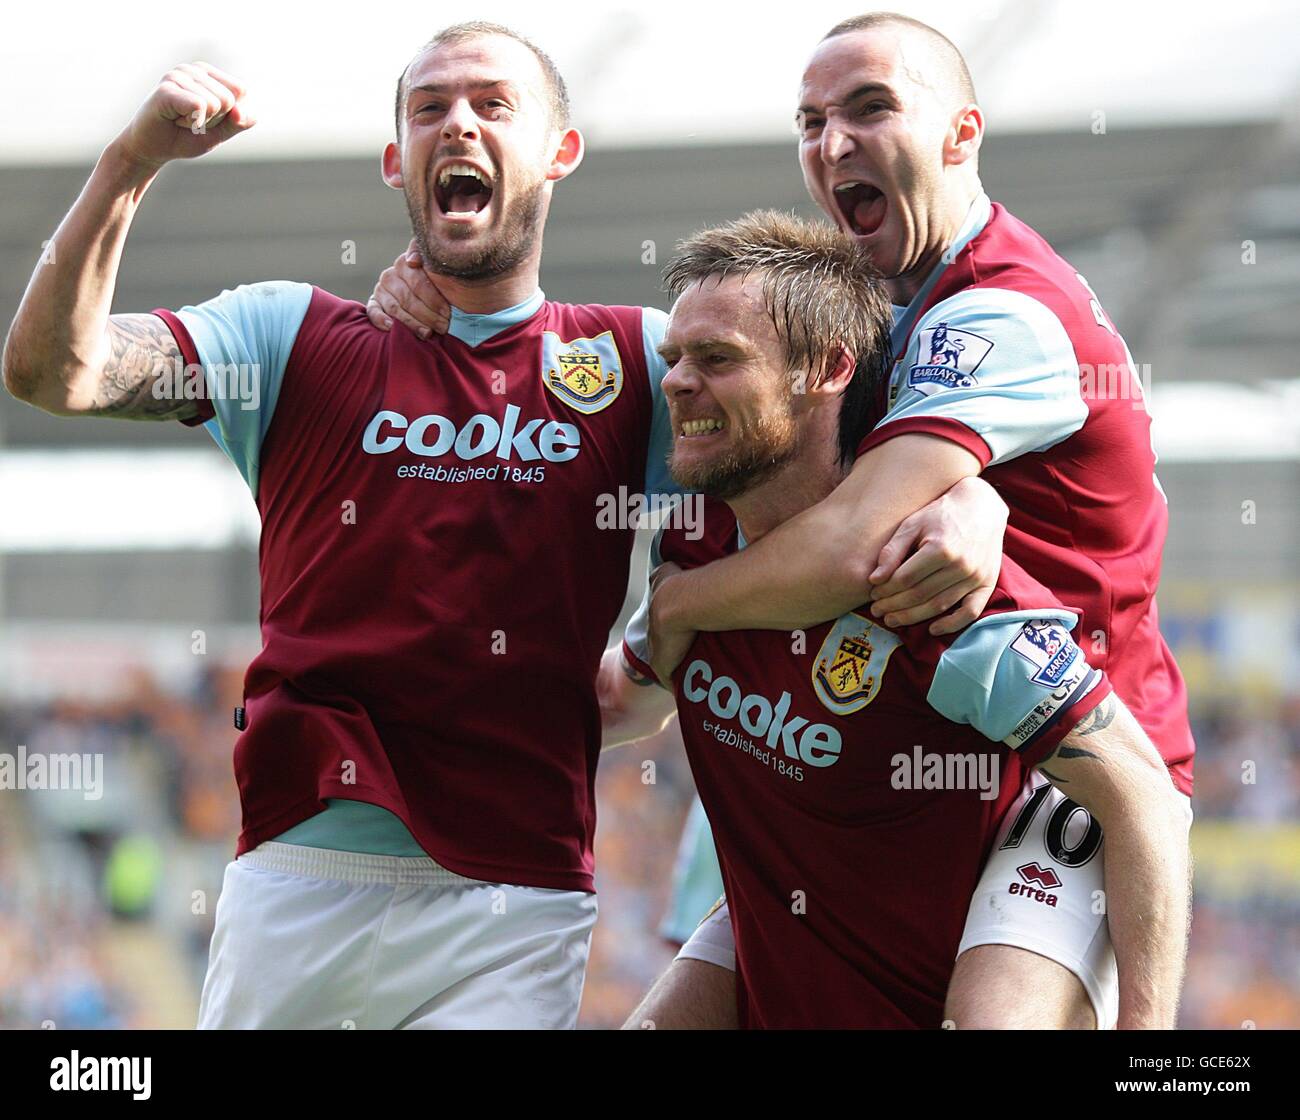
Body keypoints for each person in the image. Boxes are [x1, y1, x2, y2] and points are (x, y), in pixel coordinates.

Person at [1, 23, 1001, 1029]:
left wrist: (966, 490)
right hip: (301, 870)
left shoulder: (641, 361)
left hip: (517, 898)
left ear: (559, 153)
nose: (458, 123)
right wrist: (131, 165)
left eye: (493, 104)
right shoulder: (289, 336)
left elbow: (822, 425)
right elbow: (57, 372)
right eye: (429, 108)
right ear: (397, 160)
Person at [373, 11, 1195, 1028]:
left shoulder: (1002, 315)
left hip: (1063, 760)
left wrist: (679, 612)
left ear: (961, 132)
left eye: (870, 107)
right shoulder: (868, 311)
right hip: (870, 781)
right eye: (810, 121)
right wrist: (441, 297)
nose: (832, 142)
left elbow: (851, 542)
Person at [600, 211, 1192, 1028]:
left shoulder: (936, 583)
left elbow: (1141, 797)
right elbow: (615, 702)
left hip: (955, 968)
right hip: (787, 922)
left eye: (718, 359)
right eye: (675, 360)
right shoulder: (692, 538)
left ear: (827, 370)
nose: (675, 383)